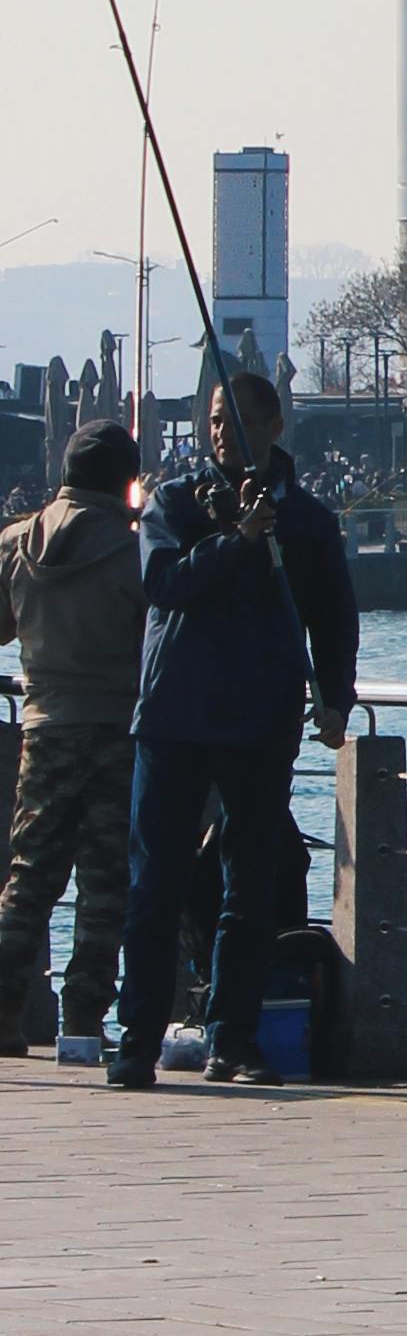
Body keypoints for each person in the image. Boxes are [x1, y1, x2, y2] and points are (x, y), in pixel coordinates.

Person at [119, 366, 359, 1091]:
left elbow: (334, 615)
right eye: (215, 420)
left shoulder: (309, 520)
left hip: (261, 719)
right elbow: (166, 585)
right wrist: (236, 539)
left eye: (239, 421)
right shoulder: (176, 502)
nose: (223, 434)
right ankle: (137, 1037)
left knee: (249, 886)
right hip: (176, 716)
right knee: (154, 883)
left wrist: (336, 697)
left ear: (274, 426)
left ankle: (233, 1037)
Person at [0, 421, 143, 1056]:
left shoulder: (14, 543)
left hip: (44, 727)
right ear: (125, 480)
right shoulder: (134, 550)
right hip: (116, 726)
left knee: (28, 877)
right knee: (104, 882)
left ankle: (3, 1016)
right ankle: (84, 1023)